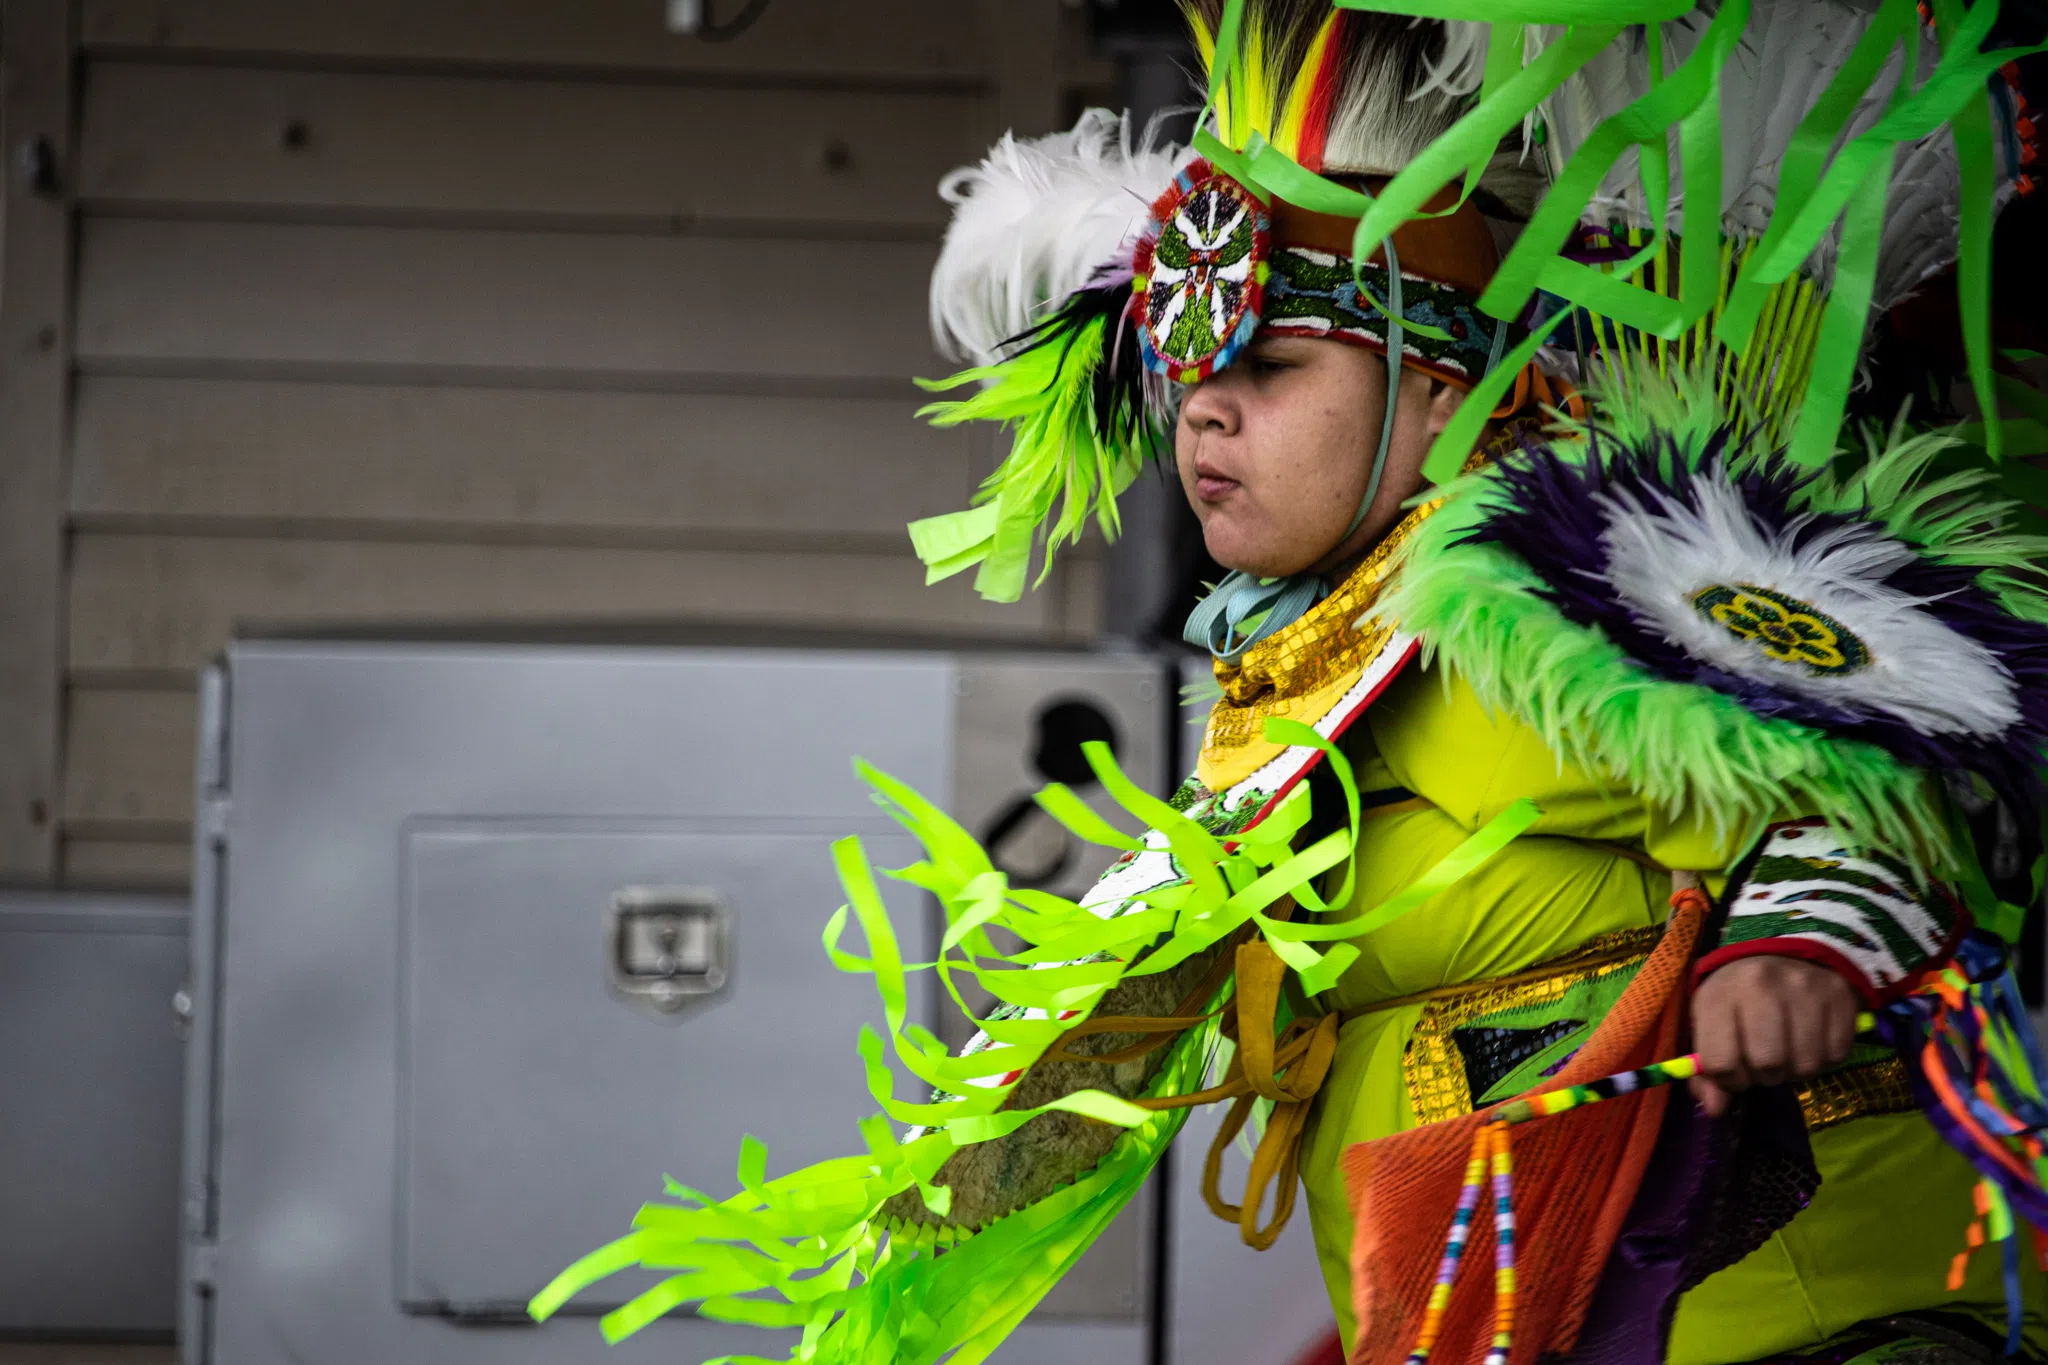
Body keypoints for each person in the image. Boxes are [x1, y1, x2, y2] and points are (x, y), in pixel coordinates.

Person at [532, 3, 2048, 1362]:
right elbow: (1147, 981)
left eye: (1272, 365)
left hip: (1799, 1318)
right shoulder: (1304, 652)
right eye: (1187, 372)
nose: (1207, 414)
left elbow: (1925, 746)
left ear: (1441, 381)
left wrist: (1795, 950)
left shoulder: (1584, 565)